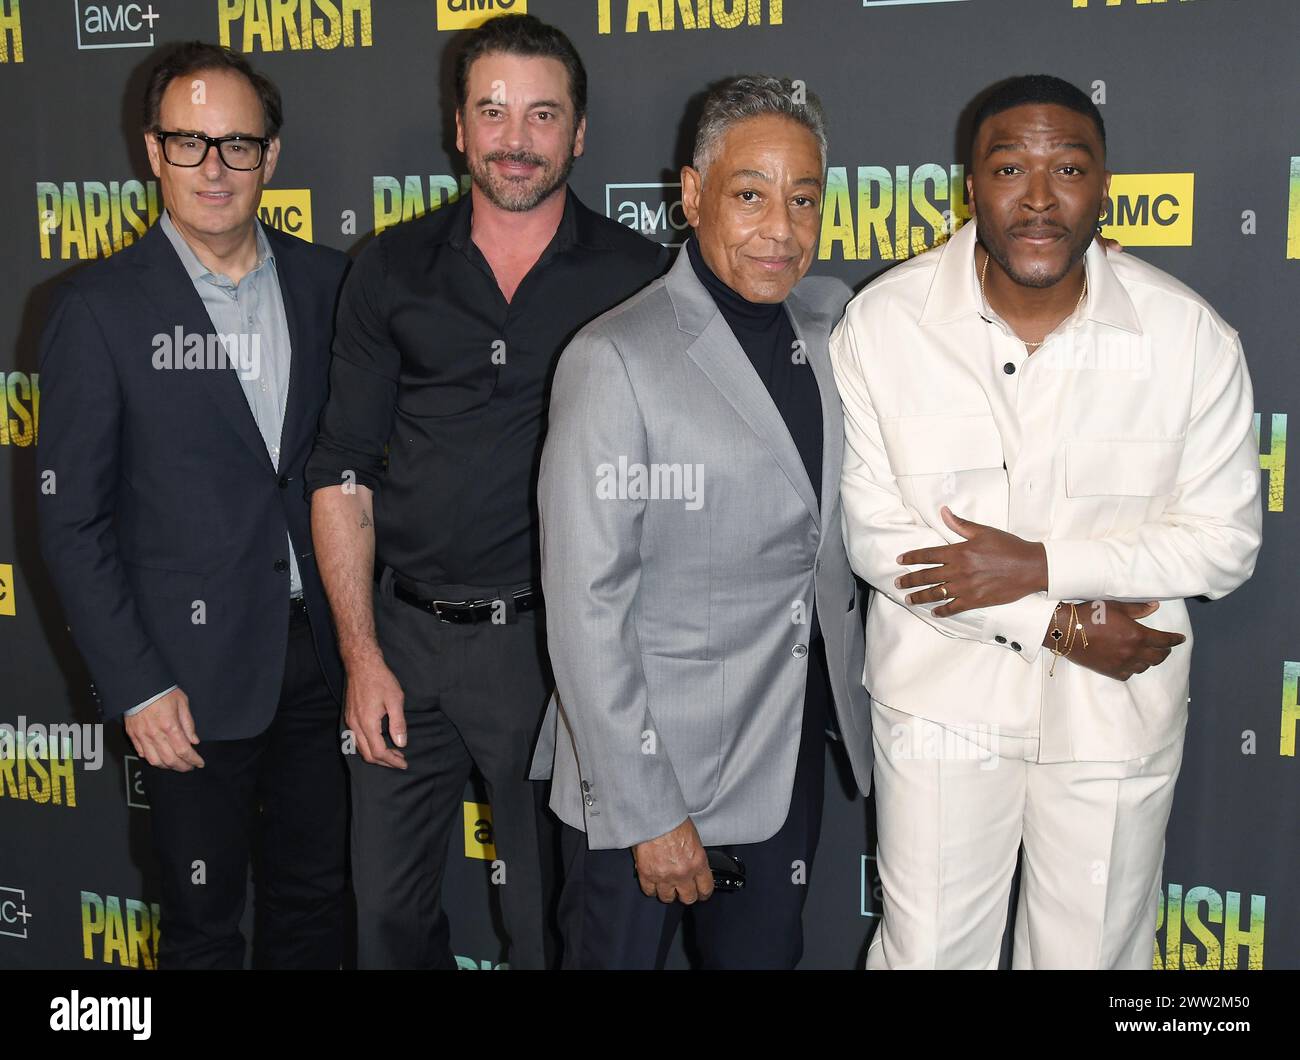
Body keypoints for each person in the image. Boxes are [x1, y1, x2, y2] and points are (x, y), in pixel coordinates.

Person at [829, 74, 1263, 969]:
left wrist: (1040, 564)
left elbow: (1225, 543)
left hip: (1116, 709)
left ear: (1104, 183)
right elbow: (878, 539)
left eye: (1067, 167)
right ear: (970, 183)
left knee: (1094, 958)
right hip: (940, 711)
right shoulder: (882, 326)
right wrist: (1059, 622)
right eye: (1007, 168)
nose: (1037, 198)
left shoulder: (1188, 338)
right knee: (928, 955)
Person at [306, 14, 667, 970]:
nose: (516, 138)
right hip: (403, 645)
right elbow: (344, 468)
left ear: (579, 133)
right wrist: (360, 655)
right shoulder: (387, 267)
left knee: (554, 922)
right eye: (493, 112)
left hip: (558, 655)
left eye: (543, 114)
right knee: (386, 923)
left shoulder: (642, 278)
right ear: (458, 128)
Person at [532, 75, 873, 970]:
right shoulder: (616, 358)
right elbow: (584, 607)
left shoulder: (835, 324)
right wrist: (649, 811)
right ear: (690, 196)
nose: (781, 228)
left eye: (804, 199)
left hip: (783, 762)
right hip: (649, 781)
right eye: (750, 195)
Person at [37, 42, 349, 969]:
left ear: (272, 156)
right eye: (189, 142)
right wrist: (135, 682)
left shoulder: (332, 286)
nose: (214, 168)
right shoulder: (95, 309)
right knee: (204, 928)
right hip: (184, 676)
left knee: (316, 905)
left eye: (237, 144)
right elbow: (72, 520)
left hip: (322, 658)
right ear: (151, 151)